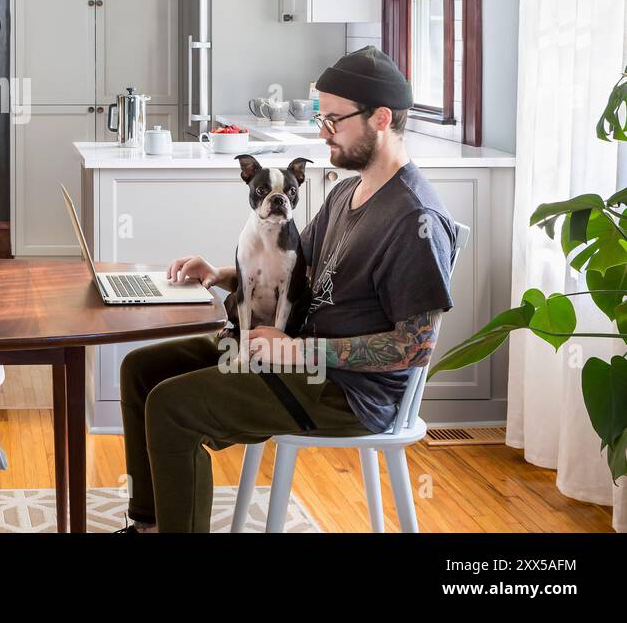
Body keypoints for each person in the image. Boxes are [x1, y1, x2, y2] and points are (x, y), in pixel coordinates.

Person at [119, 46, 458, 532]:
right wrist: (223, 275)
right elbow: (294, 270)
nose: (323, 134)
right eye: (322, 119)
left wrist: (299, 352)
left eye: (333, 121)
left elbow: (413, 348)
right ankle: (150, 524)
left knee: (173, 406)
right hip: (286, 351)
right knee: (141, 369)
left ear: (381, 118)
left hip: (346, 393)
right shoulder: (349, 190)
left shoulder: (414, 219)